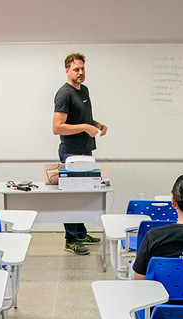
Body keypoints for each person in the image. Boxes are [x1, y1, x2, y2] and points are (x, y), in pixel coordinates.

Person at [53, 52, 106, 255]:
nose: (80, 72)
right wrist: (85, 127)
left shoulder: (84, 90)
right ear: (67, 70)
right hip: (71, 154)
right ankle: (71, 239)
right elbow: (57, 127)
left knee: (82, 195)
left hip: (85, 151)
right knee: (72, 197)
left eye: (82, 68)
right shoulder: (64, 94)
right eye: (76, 69)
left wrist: (96, 124)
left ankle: (81, 233)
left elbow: (81, 118)